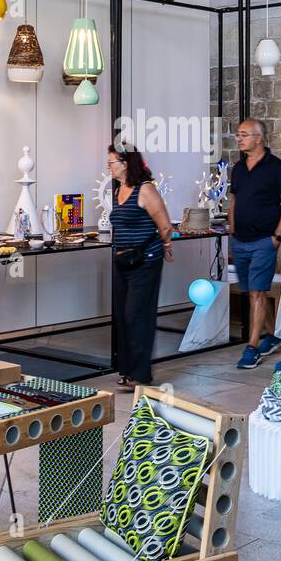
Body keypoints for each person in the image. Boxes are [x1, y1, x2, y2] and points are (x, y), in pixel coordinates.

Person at [230, 119, 281, 369]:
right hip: (240, 241)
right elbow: (234, 201)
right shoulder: (237, 168)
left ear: (259, 138)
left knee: (257, 293)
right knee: (253, 292)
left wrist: (277, 237)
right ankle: (274, 335)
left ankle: (252, 347)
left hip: (264, 241)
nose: (239, 139)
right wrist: (232, 230)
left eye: (244, 135)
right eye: (238, 135)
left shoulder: (276, 168)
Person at [108, 145, 174, 391]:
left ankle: (141, 373)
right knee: (122, 316)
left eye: (112, 162)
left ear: (125, 163)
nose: (109, 166)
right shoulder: (118, 191)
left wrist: (166, 246)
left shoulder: (145, 190)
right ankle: (126, 370)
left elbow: (165, 224)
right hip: (121, 261)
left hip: (145, 261)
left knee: (137, 315)